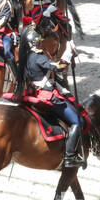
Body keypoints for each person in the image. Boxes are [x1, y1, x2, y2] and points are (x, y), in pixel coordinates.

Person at [19, 29, 85, 168]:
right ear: (35, 42)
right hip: (47, 95)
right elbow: (59, 67)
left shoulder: (25, 56)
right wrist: (68, 51)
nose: (41, 41)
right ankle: (69, 156)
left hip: (34, 92)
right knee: (77, 121)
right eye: (39, 40)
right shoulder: (38, 56)